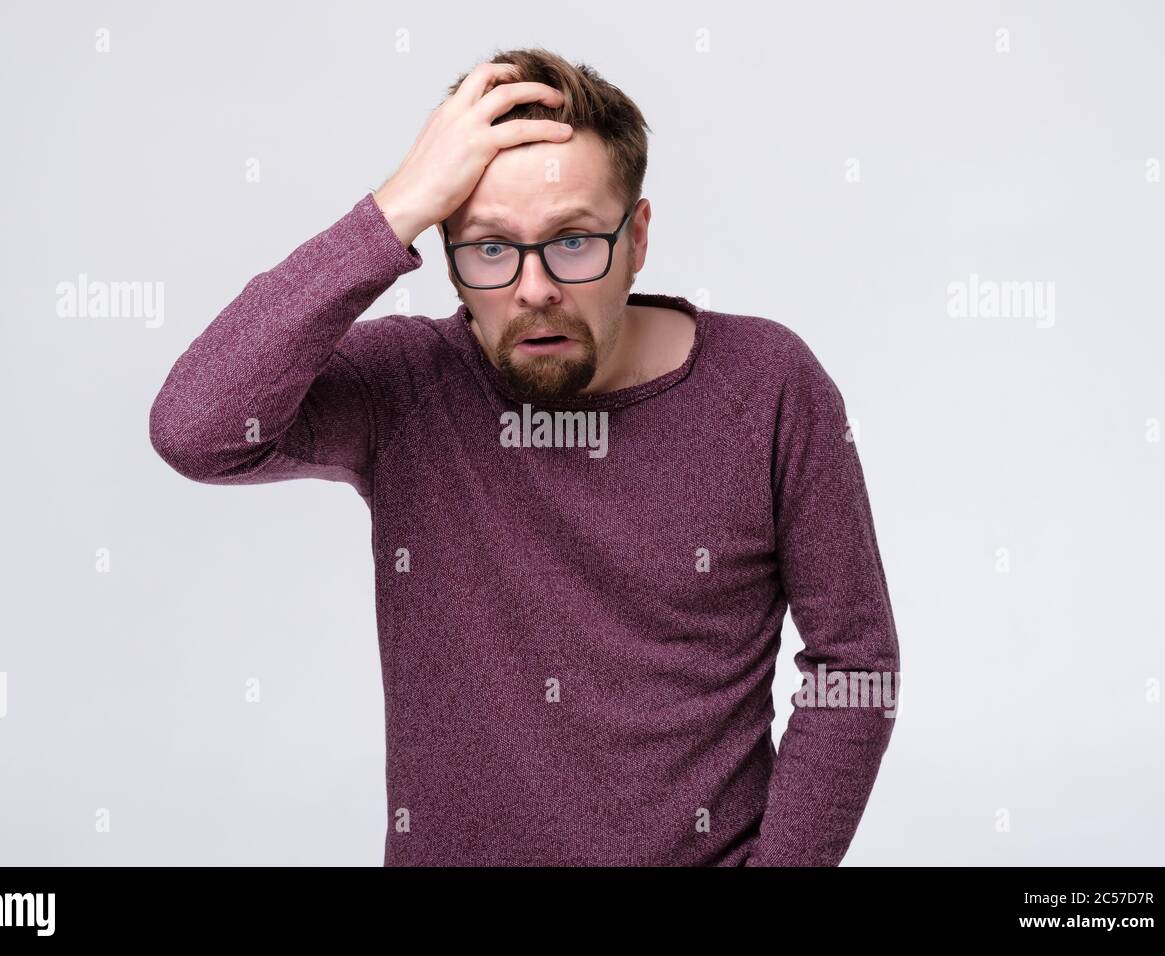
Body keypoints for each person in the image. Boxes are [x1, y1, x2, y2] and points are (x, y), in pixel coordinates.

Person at [148, 47, 901, 866]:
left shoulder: (767, 384)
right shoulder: (405, 385)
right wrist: (392, 209)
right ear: (445, 257)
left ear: (638, 237)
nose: (535, 288)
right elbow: (195, 429)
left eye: (574, 242)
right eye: (491, 249)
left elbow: (853, 663)